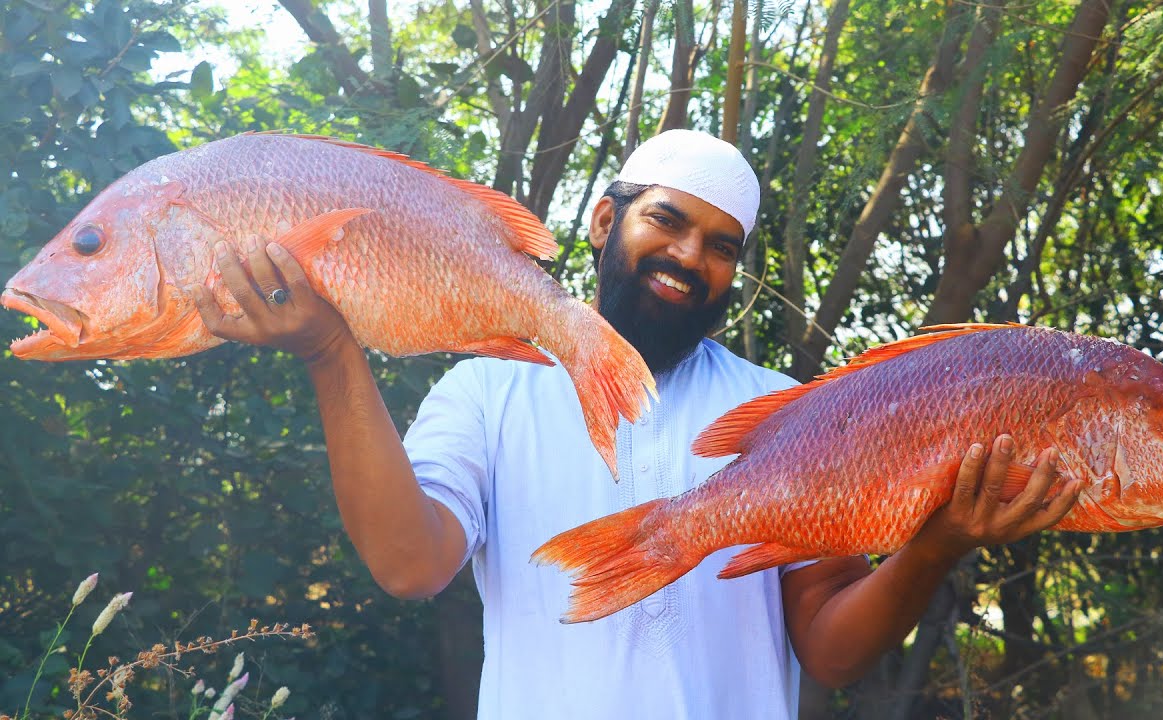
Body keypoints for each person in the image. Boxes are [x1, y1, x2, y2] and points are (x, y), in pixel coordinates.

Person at [187, 129, 1082, 719]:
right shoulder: (488, 391)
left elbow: (829, 649)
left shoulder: (788, 411)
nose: (690, 256)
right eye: (668, 221)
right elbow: (409, 563)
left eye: (722, 245)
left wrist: (934, 547)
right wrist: (330, 354)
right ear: (607, 218)